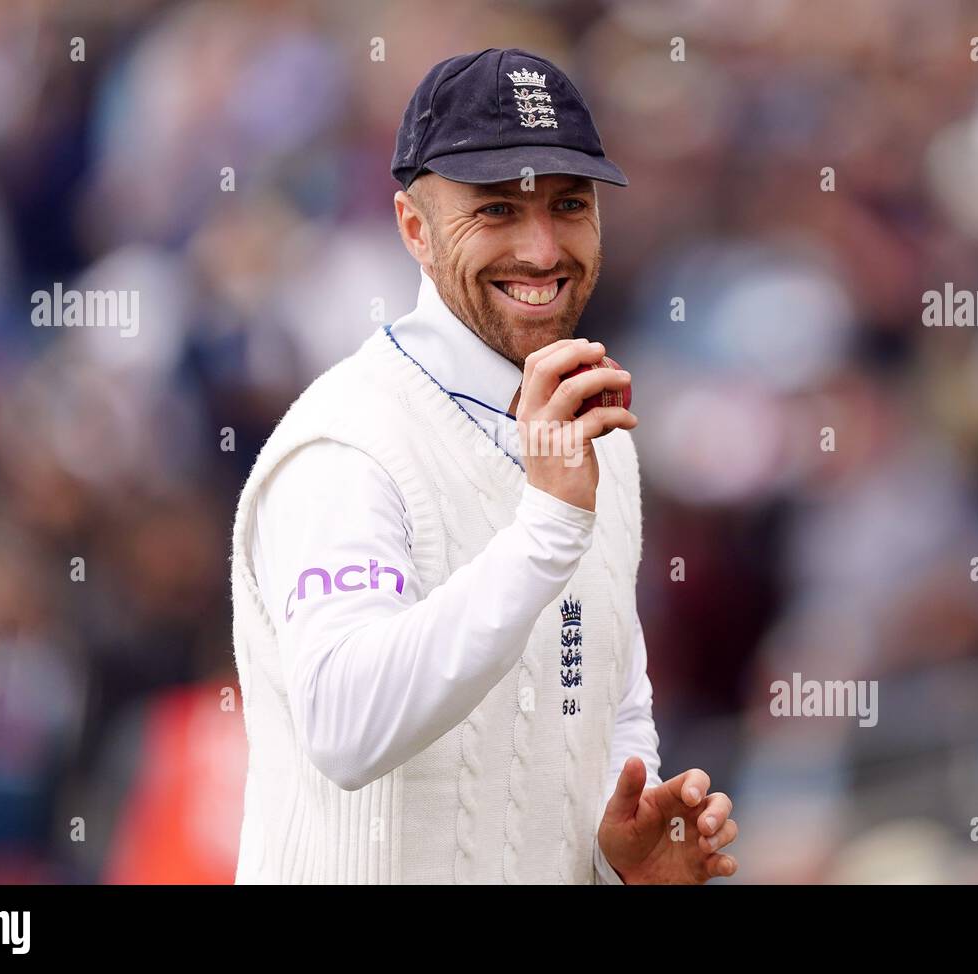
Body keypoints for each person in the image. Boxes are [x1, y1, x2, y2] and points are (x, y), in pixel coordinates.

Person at [230, 47, 738, 883]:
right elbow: (345, 729)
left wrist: (621, 851)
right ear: (413, 229)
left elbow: (604, 696)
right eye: (497, 209)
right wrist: (547, 525)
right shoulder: (345, 442)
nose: (541, 250)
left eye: (569, 204)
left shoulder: (597, 430)